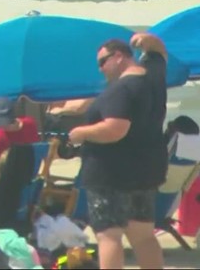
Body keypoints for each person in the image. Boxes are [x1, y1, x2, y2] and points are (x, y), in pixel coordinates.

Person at [68, 33, 169, 270]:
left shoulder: (121, 89)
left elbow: (115, 129)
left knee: (109, 235)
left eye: (103, 61)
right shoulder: (153, 76)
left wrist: (81, 133)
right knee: (143, 235)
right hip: (146, 169)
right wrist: (148, 39)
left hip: (111, 174)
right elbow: (160, 52)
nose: (101, 68)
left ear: (119, 56)